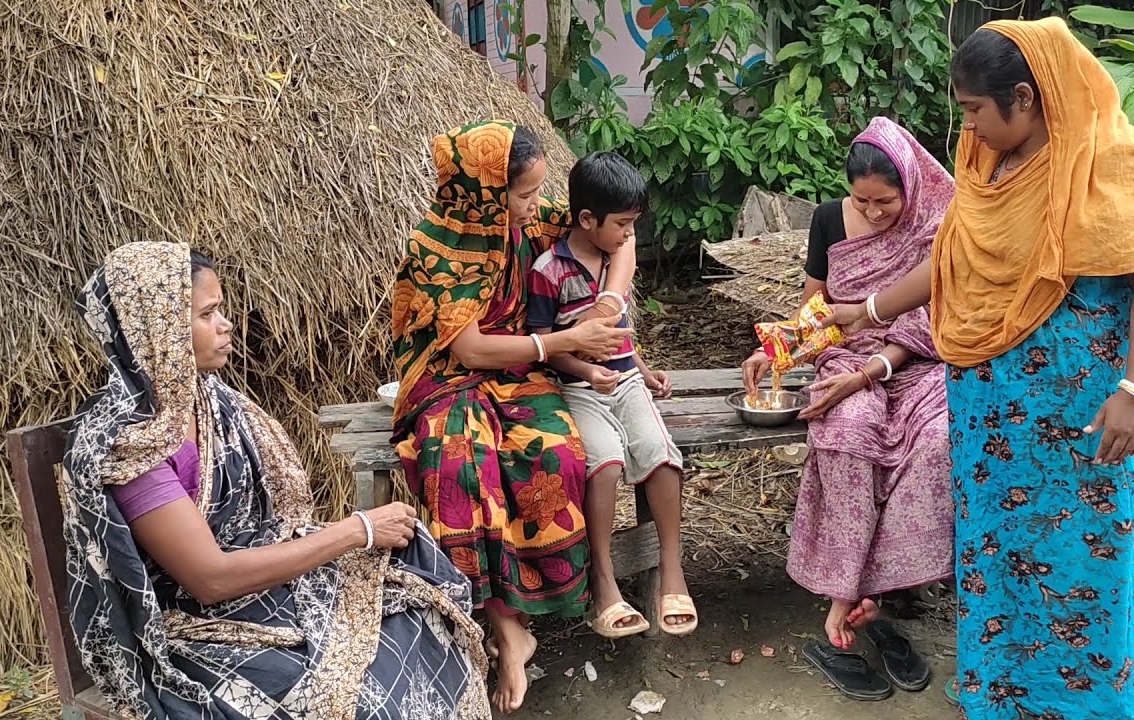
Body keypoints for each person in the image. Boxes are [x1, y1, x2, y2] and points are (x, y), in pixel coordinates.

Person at [820, 19, 1134, 720]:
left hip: (1091, 410)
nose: (966, 126)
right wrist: (866, 308)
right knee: (1003, 551)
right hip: (997, 423)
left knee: (1092, 556)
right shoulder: (988, 163)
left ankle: (1099, 697)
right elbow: (952, 259)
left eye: (973, 110)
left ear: (1024, 98)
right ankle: (1008, 685)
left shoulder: (1111, 163)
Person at [63, 242, 490, 719]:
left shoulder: (205, 398)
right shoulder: (132, 447)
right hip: (197, 620)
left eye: (220, 309)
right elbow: (210, 579)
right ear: (155, 332)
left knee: (413, 576)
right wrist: (357, 530)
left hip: (257, 572)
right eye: (207, 314)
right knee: (362, 691)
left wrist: (365, 536)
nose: (225, 325)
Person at [391, 121, 636, 715]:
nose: (535, 206)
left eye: (536, 194)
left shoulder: (530, 217)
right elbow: (470, 349)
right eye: (524, 195)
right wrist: (562, 342)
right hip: (449, 375)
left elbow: (619, 235)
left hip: (521, 373)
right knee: (459, 467)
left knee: (554, 452)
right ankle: (504, 631)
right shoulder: (437, 247)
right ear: (487, 191)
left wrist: (608, 303)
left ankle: (525, 615)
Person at [742, 117, 955, 701]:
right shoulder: (830, 219)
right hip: (846, 357)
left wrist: (876, 367)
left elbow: (924, 317)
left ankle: (877, 589)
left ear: (908, 187)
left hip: (919, 359)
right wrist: (776, 351)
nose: (875, 212)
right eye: (863, 200)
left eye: (885, 201)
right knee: (850, 430)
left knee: (937, 440)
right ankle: (847, 591)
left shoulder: (935, 225)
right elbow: (818, 309)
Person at [526, 151, 695, 640]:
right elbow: (546, 349)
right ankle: (603, 581)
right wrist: (583, 369)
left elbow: (620, 331)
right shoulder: (548, 271)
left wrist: (642, 368)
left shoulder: (612, 261)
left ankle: (671, 569)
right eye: (622, 225)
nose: (628, 235)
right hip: (578, 392)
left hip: (626, 384)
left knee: (660, 454)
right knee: (604, 462)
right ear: (586, 219)